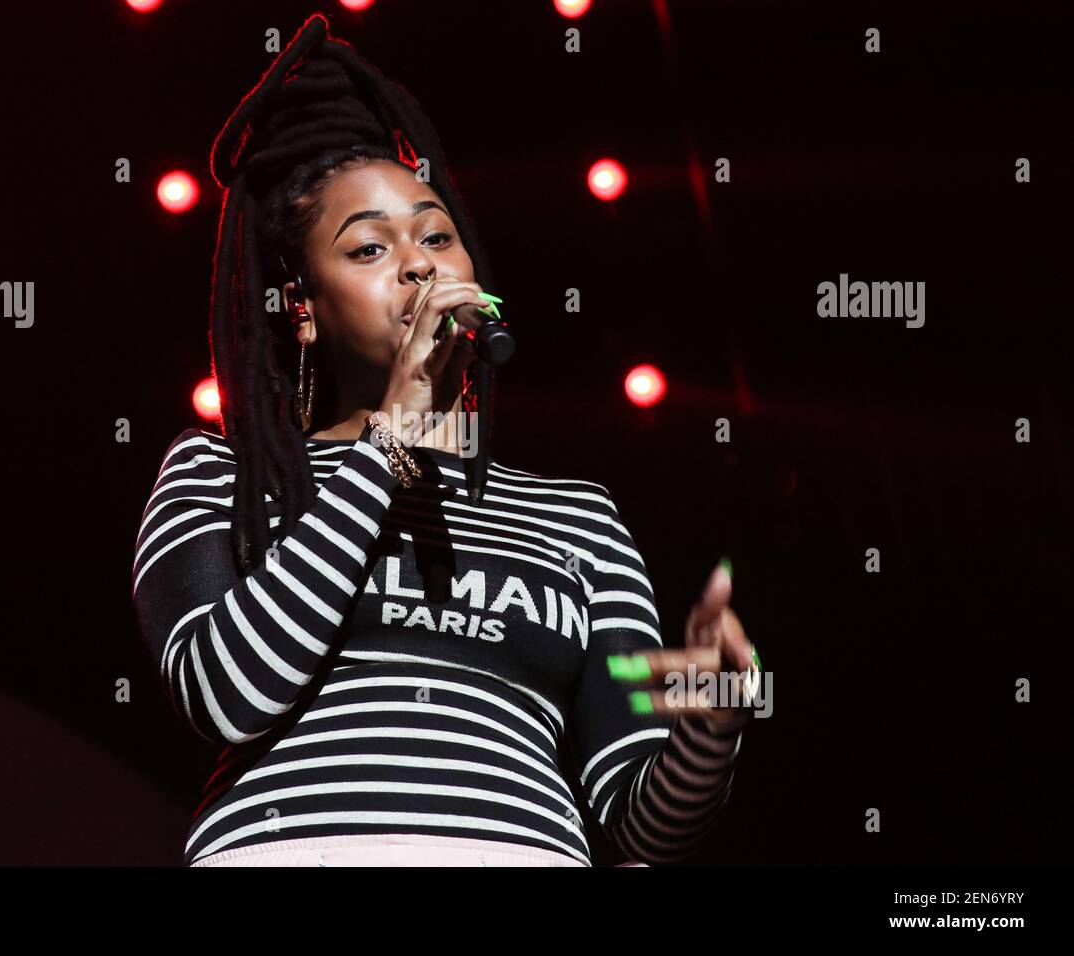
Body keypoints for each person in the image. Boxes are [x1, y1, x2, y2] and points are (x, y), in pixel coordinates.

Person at [132, 13, 756, 867]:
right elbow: (225, 692)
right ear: (303, 313)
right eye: (368, 248)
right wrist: (394, 439)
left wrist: (707, 731)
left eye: (435, 234)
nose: (419, 265)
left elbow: (635, 822)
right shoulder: (222, 474)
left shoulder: (576, 515)